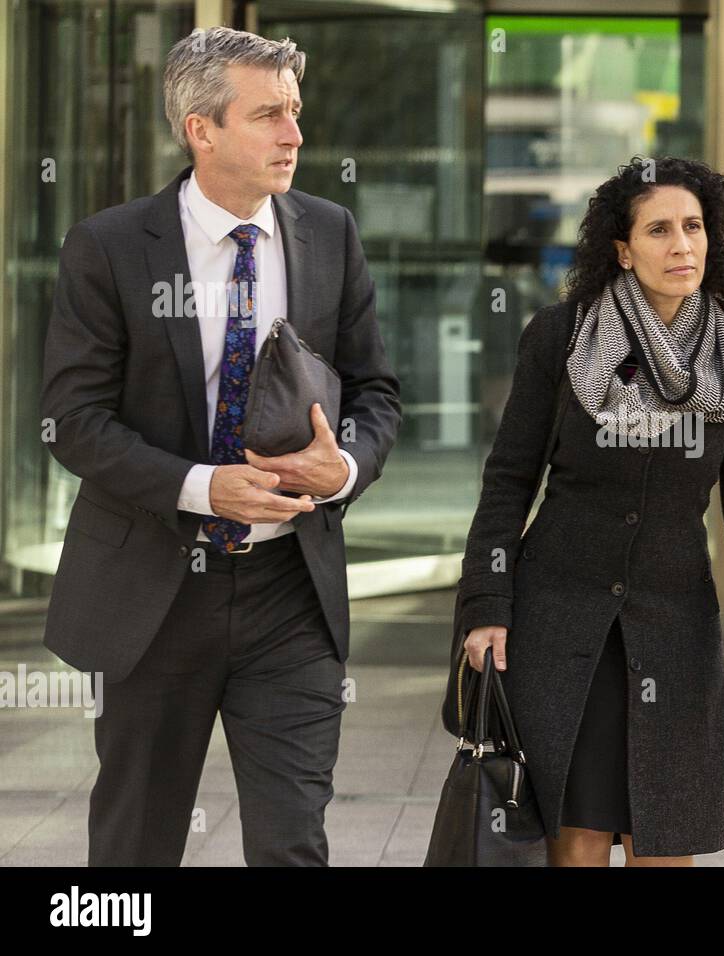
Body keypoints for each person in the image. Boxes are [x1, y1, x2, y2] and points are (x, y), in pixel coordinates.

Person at [40, 27, 401, 866]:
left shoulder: (329, 232)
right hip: (153, 596)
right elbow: (73, 417)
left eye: (297, 111)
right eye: (269, 114)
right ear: (201, 129)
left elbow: (376, 391)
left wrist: (342, 467)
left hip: (291, 594)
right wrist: (205, 488)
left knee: (292, 844)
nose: (295, 135)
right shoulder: (112, 247)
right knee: (135, 842)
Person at [457, 156, 724, 866]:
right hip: (560, 621)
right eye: (659, 230)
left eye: (694, 227)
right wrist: (485, 605)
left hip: (676, 627)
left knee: (665, 840)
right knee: (578, 838)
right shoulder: (561, 338)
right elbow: (507, 481)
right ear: (622, 250)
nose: (682, 245)